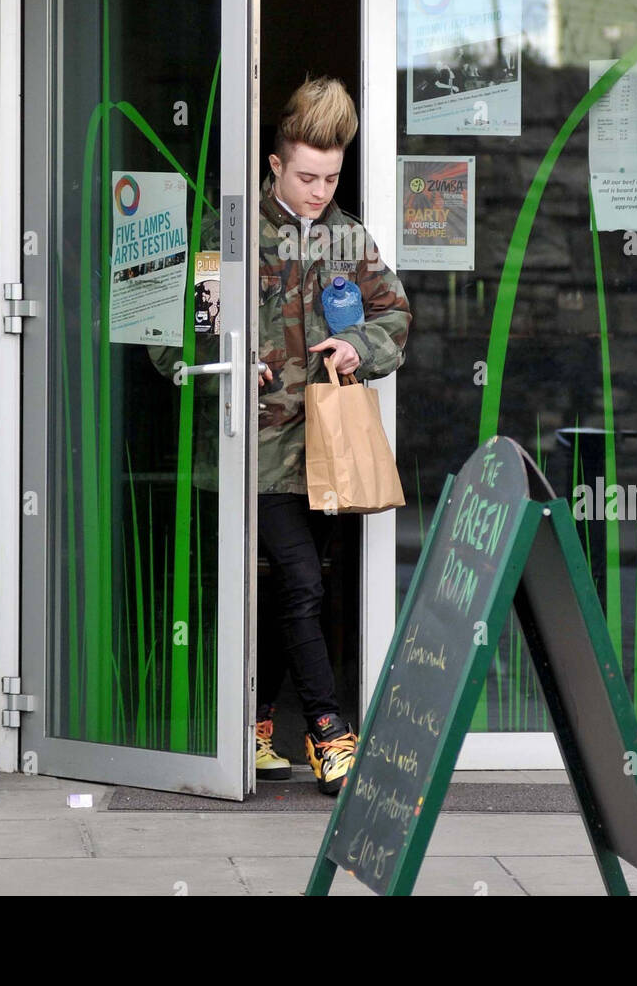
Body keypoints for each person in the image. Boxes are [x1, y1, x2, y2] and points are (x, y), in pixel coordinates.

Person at [255, 76, 411, 794]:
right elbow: (176, 335)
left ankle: (254, 727)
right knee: (298, 586)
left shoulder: (350, 236)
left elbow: (395, 318)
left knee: (291, 587)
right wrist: (229, 361)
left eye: (333, 176)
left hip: (326, 450)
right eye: (307, 175)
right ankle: (329, 734)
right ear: (274, 165)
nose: (320, 190)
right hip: (252, 446)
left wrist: (359, 349)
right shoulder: (231, 232)